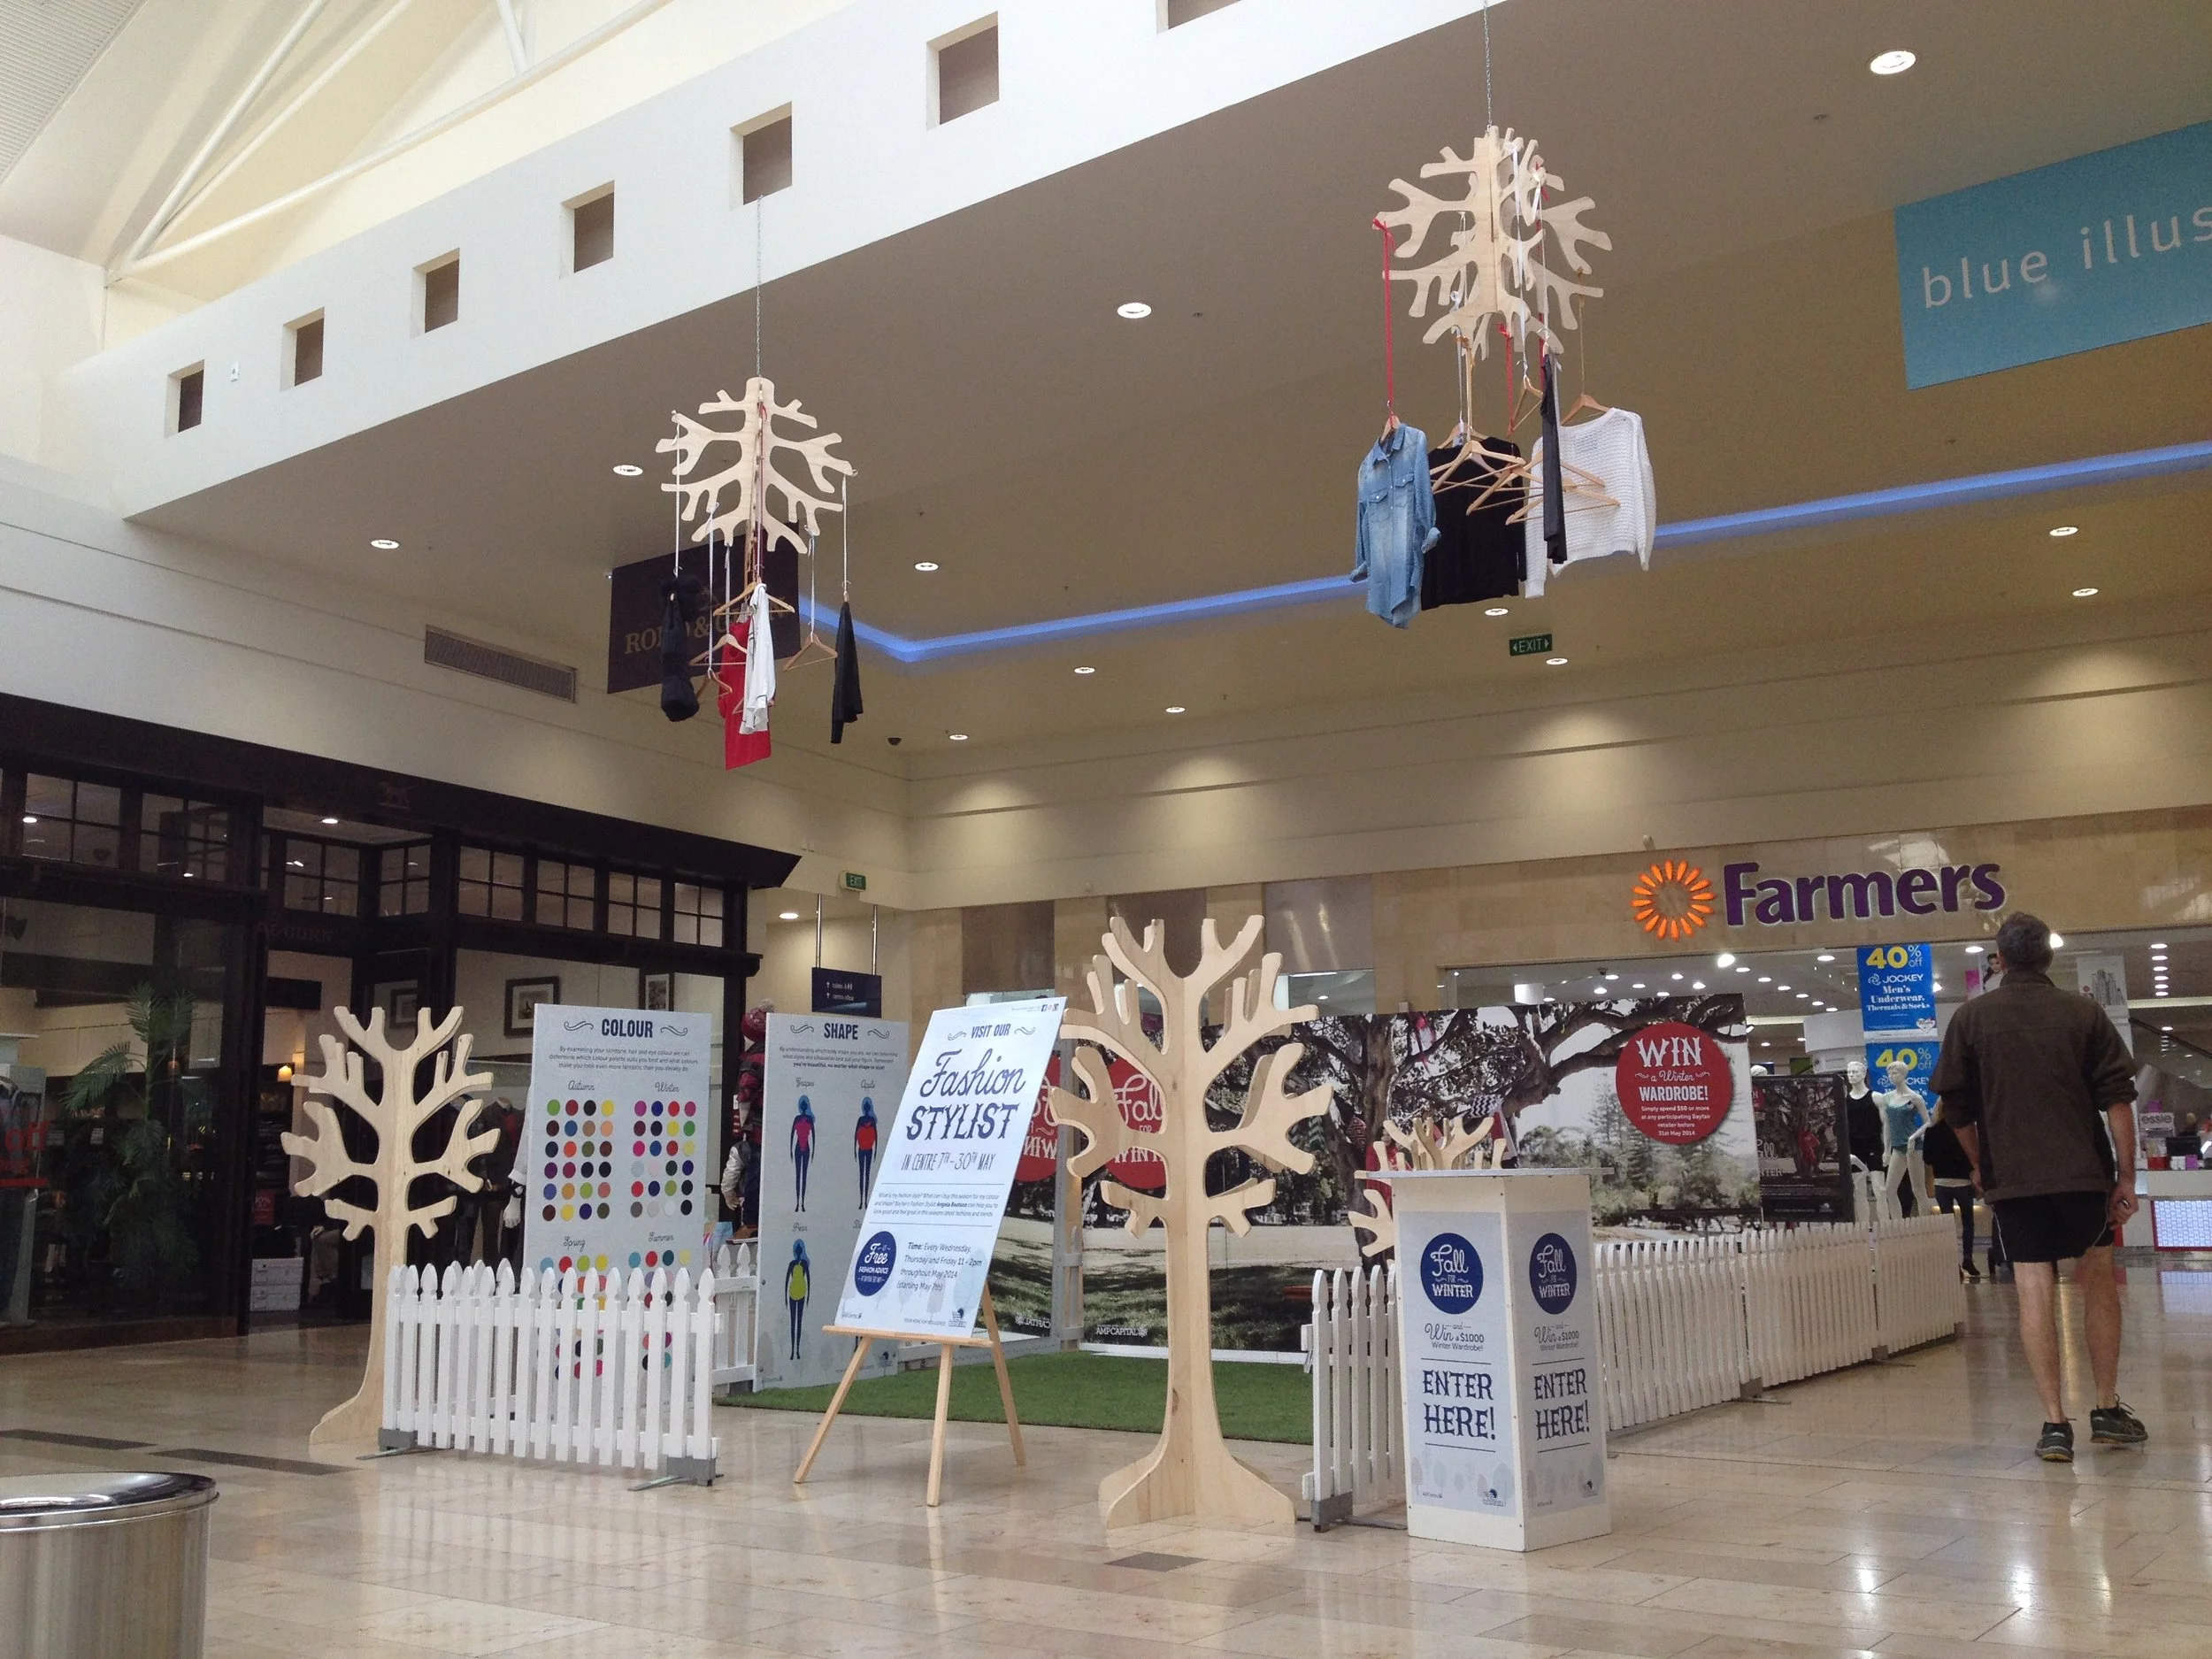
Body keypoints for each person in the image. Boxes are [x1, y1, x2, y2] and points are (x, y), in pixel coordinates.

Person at [1930, 911, 2145, 1463]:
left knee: (2032, 1288)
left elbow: (1955, 1107)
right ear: (2049, 957)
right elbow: (2118, 1098)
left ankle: (2054, 1423)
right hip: (2084, 1175)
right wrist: (2126, 1175)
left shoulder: (1971, 1019)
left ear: (2000, 960)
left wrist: (1980, 1164)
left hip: (2015, 1180)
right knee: (2097, 1280)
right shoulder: (2083, 1012)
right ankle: (2106, 1408)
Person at [1920, 1101, 1980, 1279]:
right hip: (1963, 1181)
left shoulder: (1932, 1131)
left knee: (1948, 1225)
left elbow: (1927, 1158)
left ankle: (1953, 1263)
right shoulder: (1962, 1130)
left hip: (1942, 1182)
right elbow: (1973, 1154)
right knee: (1968, 1223)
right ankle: (1968, 1258)